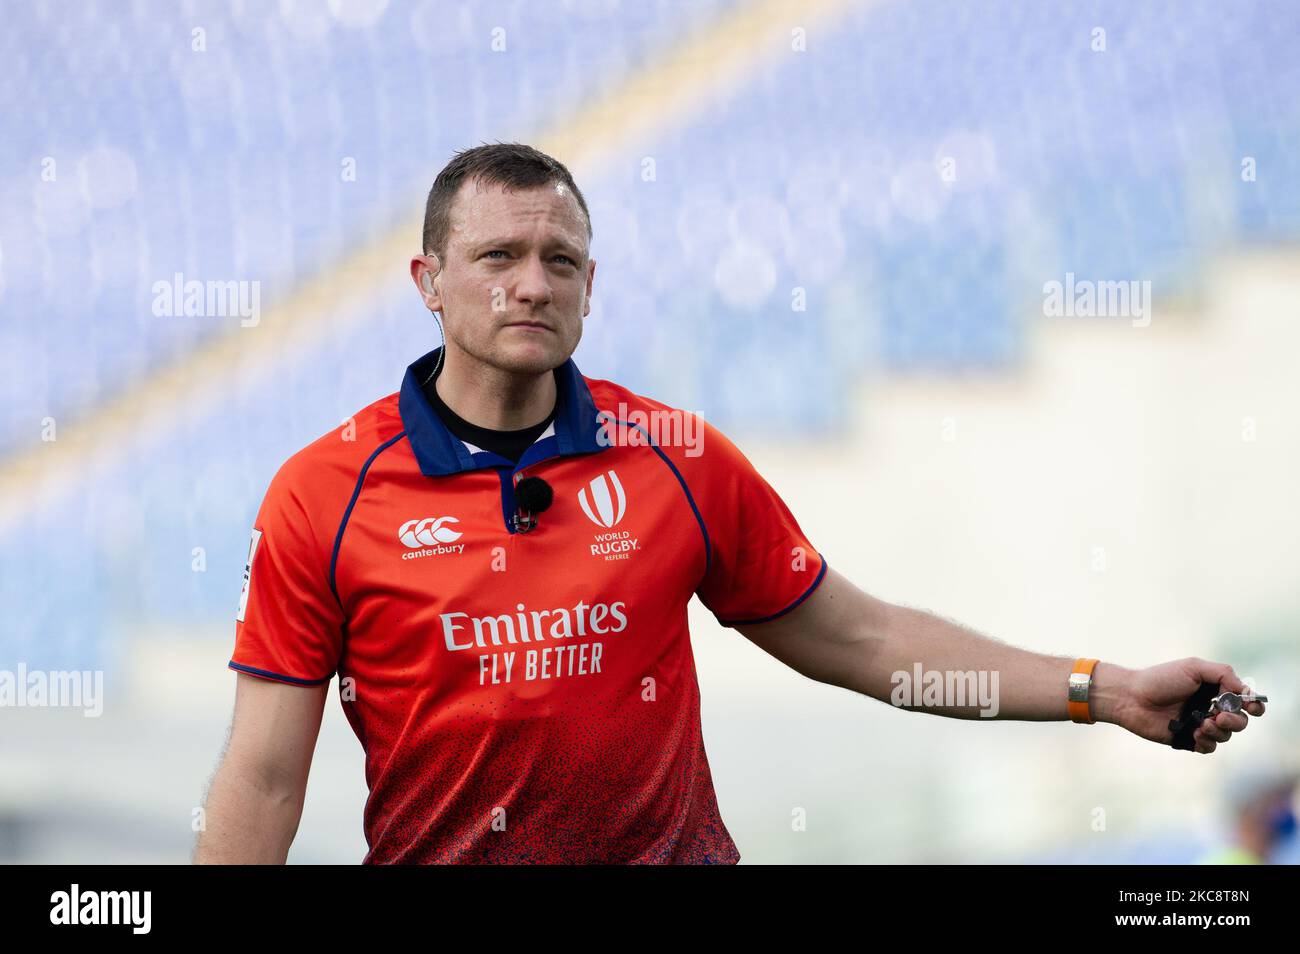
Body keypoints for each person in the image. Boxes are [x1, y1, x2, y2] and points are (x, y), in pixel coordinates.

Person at [194, 142, 1266, 864]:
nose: (531, 284)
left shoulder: (674, 456)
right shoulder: (323, 493)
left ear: (590, 285)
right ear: (428, 280)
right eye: (498, 257)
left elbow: (867, 639)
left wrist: (1104, 690)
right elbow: (266, 773)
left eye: (559, 260)